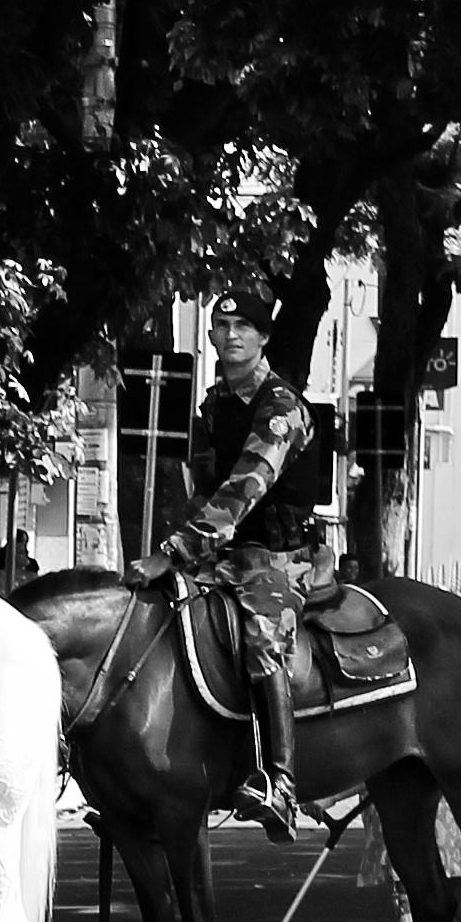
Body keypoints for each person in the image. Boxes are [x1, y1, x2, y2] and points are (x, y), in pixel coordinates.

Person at [125, 287, 312, 841]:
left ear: (264, 338)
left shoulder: (281, 408)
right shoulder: (212, 405)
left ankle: (281, 782)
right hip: (219, 556)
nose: (231, 336)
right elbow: (200, 489)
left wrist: (172, 552)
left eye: (243, 328)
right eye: (222, 327)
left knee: (261, 637)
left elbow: (242, 490)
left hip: (276, 559)